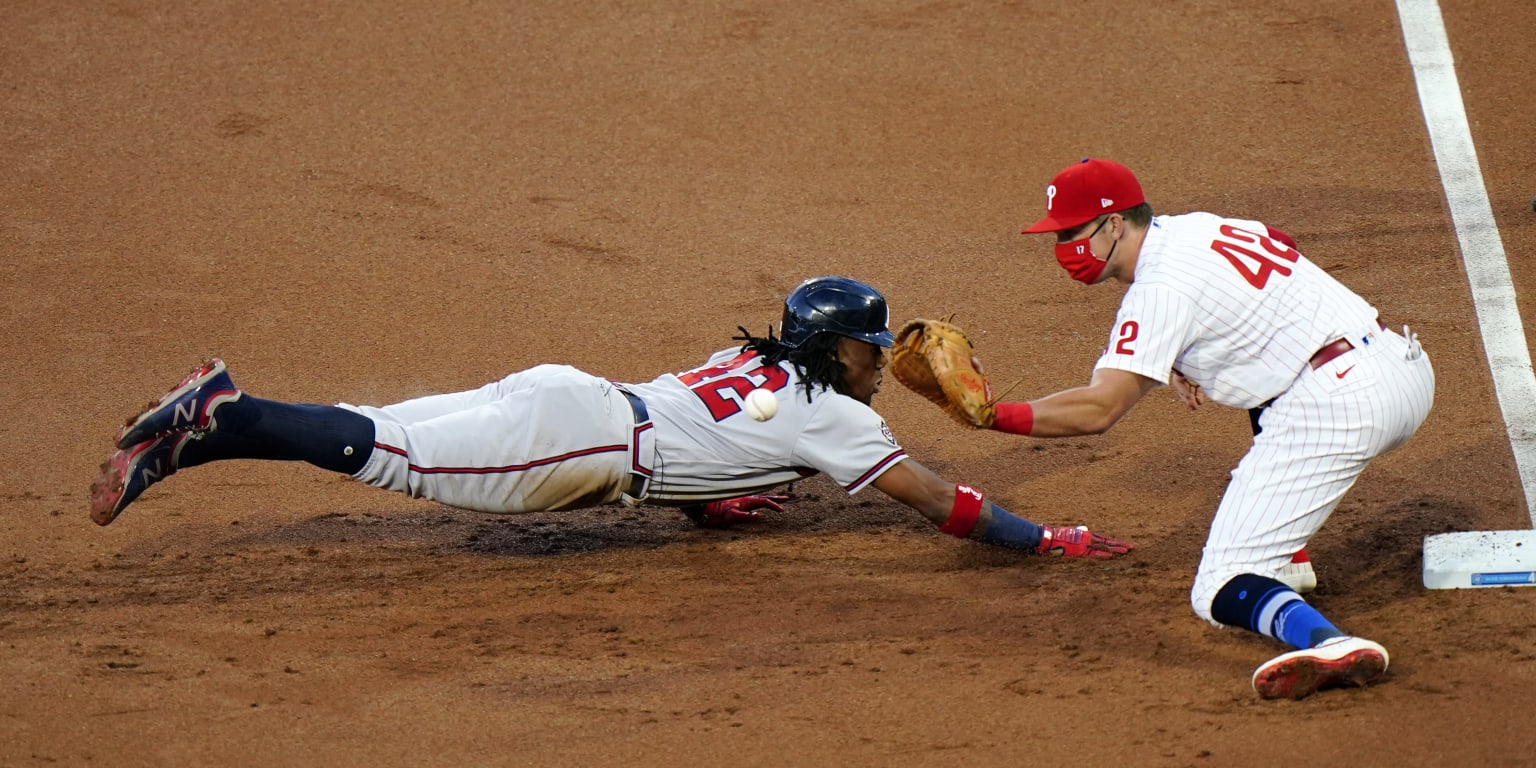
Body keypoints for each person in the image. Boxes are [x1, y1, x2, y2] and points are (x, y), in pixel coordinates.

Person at [91, 276, 1132, 563]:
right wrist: (1044, 536)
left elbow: (720, 438)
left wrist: (710, 503)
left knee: (372, 427)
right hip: (576, 448)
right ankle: (226, 408)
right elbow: (941, 504)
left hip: (571, 396)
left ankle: (196, 439)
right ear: (837, 352)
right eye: (870, 349)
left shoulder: (752, 360)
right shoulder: (840, 424)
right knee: (386, 454)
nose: (881, 364)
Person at [990, 159, 1434, 699]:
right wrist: (1185, 354)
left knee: (1219, 586)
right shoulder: (1198, 226)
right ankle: (1287, 561)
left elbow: (1099, 409)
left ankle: (1329, 642)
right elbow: (1280, 243)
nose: (1062, 247)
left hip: (1341, 408)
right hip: (1401, 366)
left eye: (1070, 233)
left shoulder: (1159, 290)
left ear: (1114, 225)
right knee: (1266, 378)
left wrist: (992, 415)